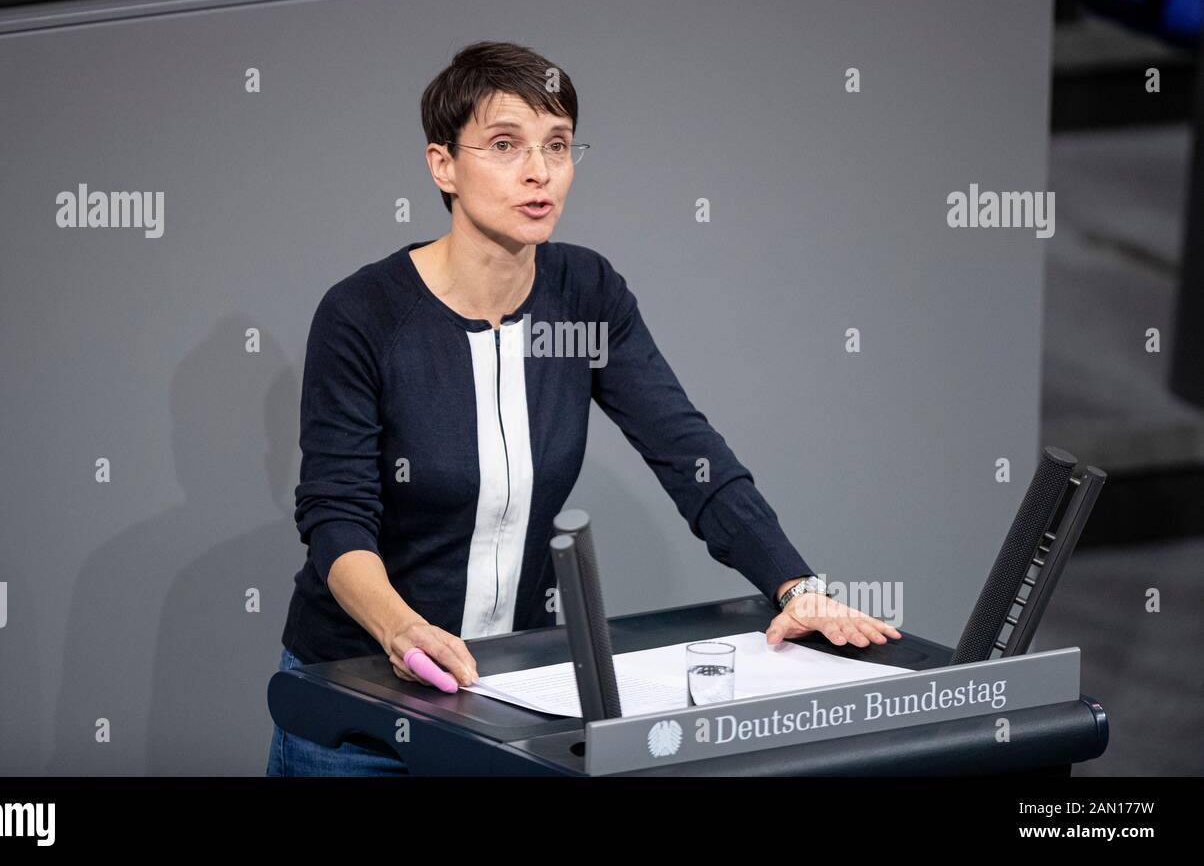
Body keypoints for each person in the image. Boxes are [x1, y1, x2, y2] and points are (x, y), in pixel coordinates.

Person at [266, 40, 900, 776]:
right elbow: (335, 516)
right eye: (505, 146)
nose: (539, 172)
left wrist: (798, 586)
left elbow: (688, 453)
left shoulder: (585, 292)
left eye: (557, 146)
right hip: (359, 697)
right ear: (442, 164)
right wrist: (403, 630)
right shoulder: (363, 314)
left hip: (504, 693)